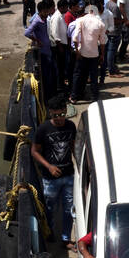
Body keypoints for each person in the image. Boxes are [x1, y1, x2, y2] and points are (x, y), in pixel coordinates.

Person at [31, 94, 77, 244]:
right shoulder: (43, 129)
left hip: (69, 175)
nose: (59, 118)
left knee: (68, 209)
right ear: (50, 112)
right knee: (50, 209)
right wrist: (49, 166)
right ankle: (49, 232)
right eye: (56, 115)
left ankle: (65, 238)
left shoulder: (71, 126)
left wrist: (80, 165)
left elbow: (73, 146)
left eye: (62, 114)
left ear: (66, 111)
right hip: (50, 179)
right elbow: (35, 151)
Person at [70, 5, 106, 103]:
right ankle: (94, 97)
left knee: (78, 75)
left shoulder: (80, 21)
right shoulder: (100, 23)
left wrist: (77, 51)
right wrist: (102, 55)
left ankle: (74, 97)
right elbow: (102, 42)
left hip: (82, 53)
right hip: (94, 54)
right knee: (94, 76)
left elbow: (75, 37)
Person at [24, 0, 55, 98]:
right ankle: (47, 96)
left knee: (50, 73)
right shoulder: (37, 21)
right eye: (44, 12)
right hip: (43, 52)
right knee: (46, 75)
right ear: (40, 11)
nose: (46, 14)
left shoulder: (45, 19)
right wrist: (37, 40)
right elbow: (27, 33)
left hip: (48, 49)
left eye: (47, 11)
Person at [103, 0, 124, 80]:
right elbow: (115, 20)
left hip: (109, 31)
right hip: (114, 32)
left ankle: (112, 68)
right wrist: (123, 20)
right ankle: (111, 71)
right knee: (111, 52)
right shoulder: (115, 7)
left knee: (110, 52)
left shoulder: (108, 4)